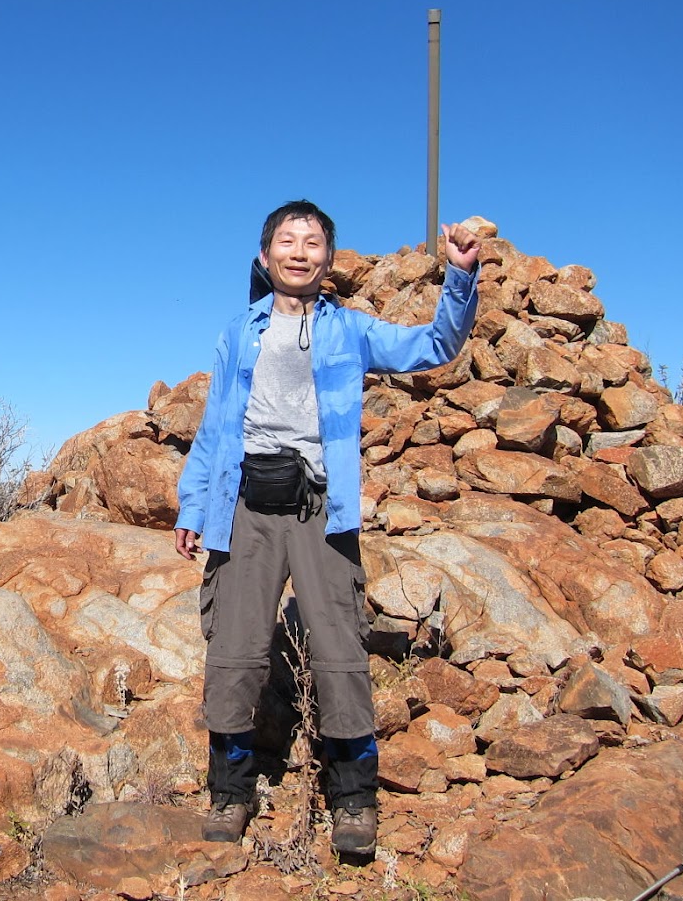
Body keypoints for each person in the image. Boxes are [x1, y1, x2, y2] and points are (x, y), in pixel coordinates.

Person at [174, 200, 479, 856]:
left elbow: (436, 345)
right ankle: (230, 790)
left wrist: (460, 277)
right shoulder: (239, 332)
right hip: (246, 509)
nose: (300, 250)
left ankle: (353, 799)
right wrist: (193, 507)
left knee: (340, 651)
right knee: (234, 651)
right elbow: (215, 427)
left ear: (328, 260)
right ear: (265, 257)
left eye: (313, 242)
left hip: (320, 510)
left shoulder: (350, 330)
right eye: (287, 240)